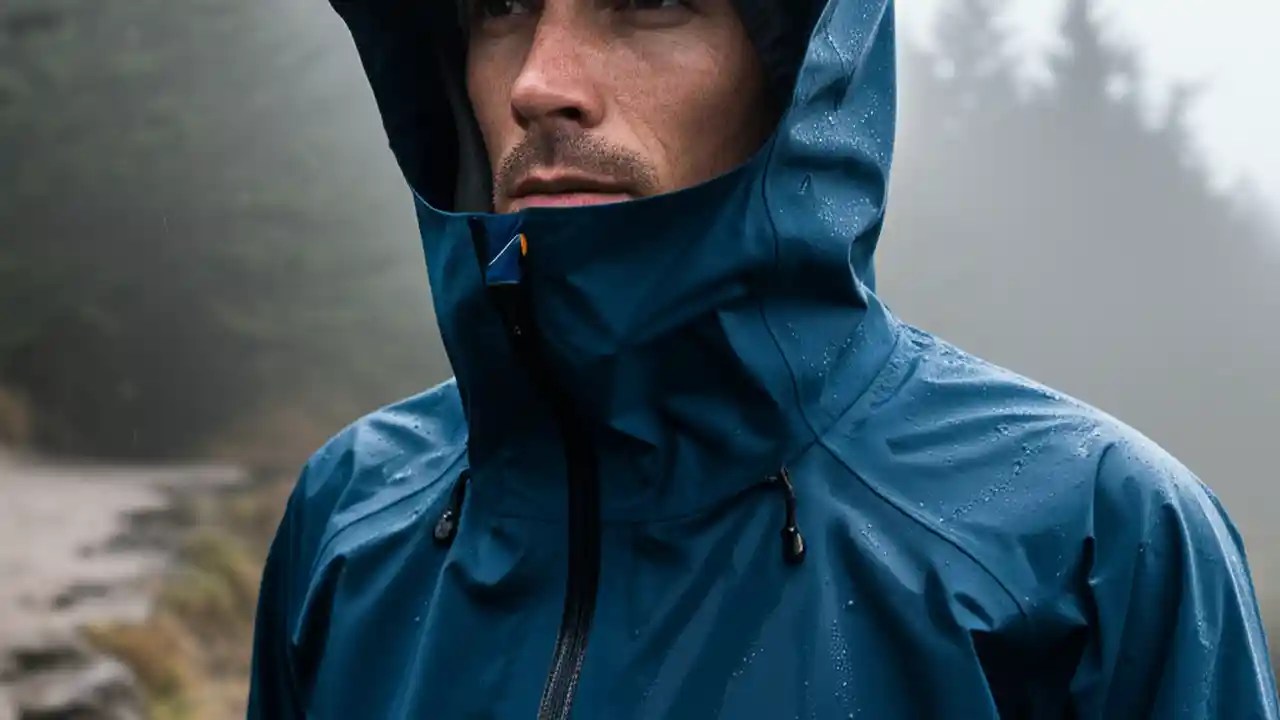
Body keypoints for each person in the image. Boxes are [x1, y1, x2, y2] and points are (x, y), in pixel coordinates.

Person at [248, 0, 1279, 717]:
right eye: (501, 6)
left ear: (795, 72)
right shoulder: (352, 514)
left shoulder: (1096, 539)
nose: (537, 83)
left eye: (648, 3)